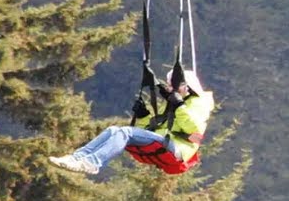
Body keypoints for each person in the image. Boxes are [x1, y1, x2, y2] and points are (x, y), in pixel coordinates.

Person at [49, 68, 215, 175]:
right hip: (164, 144)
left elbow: (195, 133)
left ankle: (92, 163)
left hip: (178, 150)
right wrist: (143, 117)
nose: (170, 89)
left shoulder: (199, 103)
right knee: (114, 130)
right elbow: (154, 132)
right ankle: (78, 158)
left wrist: (178, 105)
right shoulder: (175, 103)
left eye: (173, 85)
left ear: (187, 87)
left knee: (125, 132)